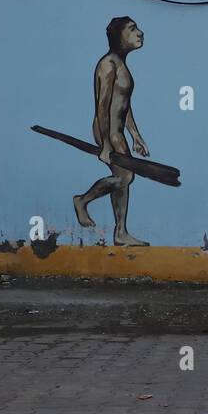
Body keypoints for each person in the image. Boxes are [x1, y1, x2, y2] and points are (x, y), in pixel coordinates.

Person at [74, 17, 152, 246]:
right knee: (125, 176)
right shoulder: (107, 64)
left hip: (117, 131)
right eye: (132, 29)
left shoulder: (121, 64)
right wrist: (106, 143)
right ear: (119, 36)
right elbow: (102, 104)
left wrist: (136, 136)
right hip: (106, 129)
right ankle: (82, 200)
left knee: (123, 179)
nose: (140, 32)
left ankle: (120, 232)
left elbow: (124, 105)